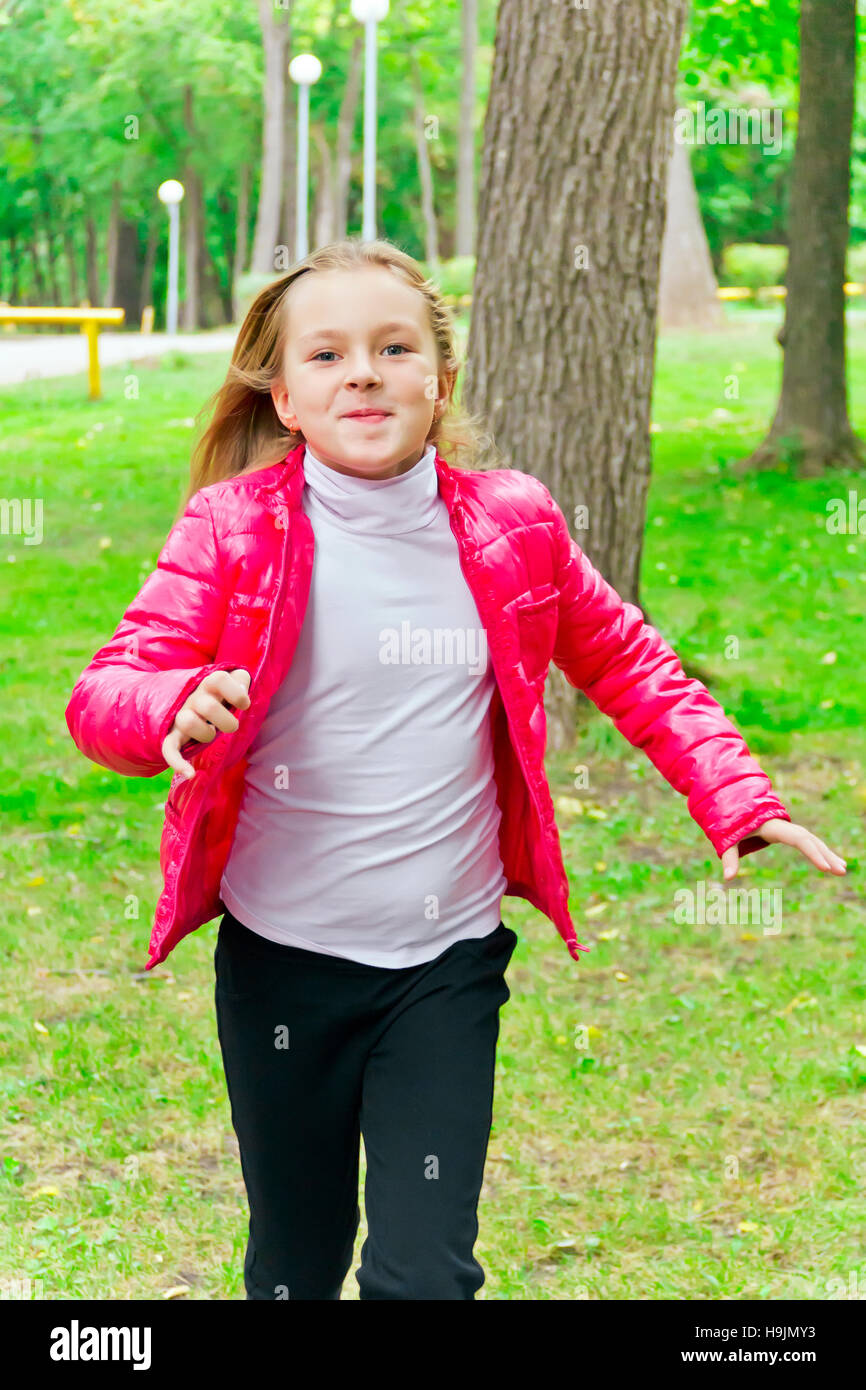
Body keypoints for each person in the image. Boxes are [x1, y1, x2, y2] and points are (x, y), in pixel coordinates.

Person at [65, 237, 847, 1300]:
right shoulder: (233, 530)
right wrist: (166, 703)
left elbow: (627, 658)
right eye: (327, 354)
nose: (363, 373)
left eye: (392, 348)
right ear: (285, 395)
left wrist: (734, 797)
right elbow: (105, 689)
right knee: (292, 1264)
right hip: (281, 965)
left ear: (440, 379)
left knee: (423, 1273)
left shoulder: (510, 525)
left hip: (443, 962)